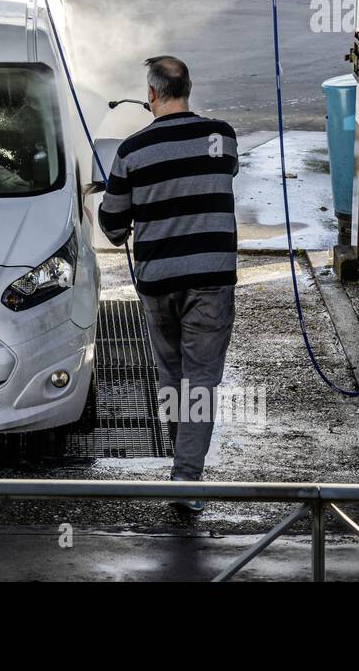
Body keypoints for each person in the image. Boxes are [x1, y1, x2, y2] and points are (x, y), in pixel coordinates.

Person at [99, 56, 239, 513]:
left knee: (173, 376)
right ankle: (186, 475)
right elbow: (224, 171)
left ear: (152, 94)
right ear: (189, 88)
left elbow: (113, 226)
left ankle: (184, 470)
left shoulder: (131, 152)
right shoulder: (222, 137)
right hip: (210, 282)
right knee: (200, 381)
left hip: (159, 282)